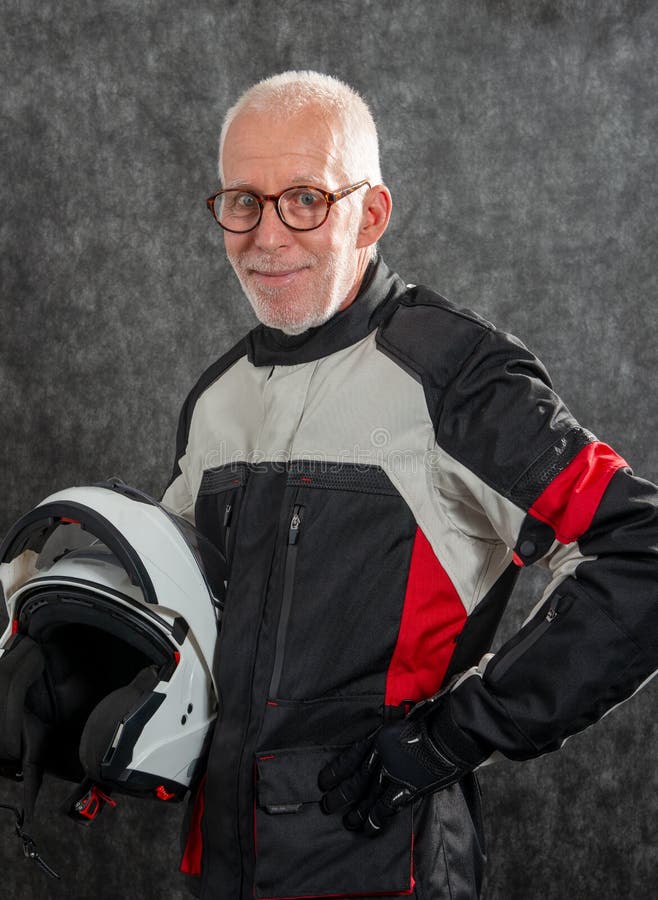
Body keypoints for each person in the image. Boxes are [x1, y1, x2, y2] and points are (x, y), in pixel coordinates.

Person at [161, 71, 657, 900]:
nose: (267, 236)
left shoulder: (457, 375)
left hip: (389, 864)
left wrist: (456, 733)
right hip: (220, 869)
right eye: (243, 201)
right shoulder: (216, 398)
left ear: (373, 213)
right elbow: (179, 614)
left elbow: (643, 549)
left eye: (306, 199)